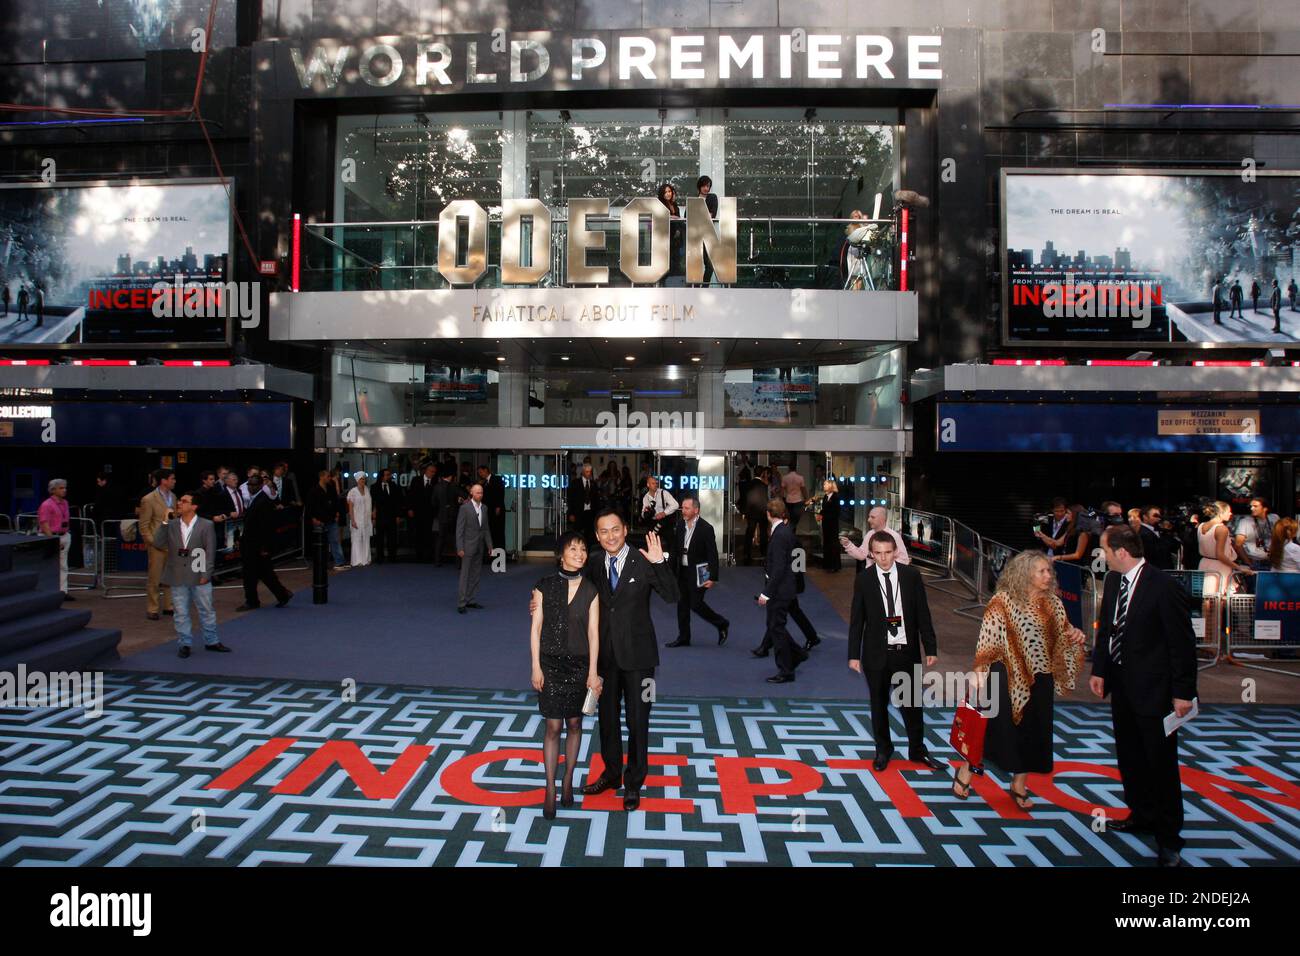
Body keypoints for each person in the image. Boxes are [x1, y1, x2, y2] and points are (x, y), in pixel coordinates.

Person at [1090, 524, 1197, 867]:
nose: (1102, 557)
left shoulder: (1164, 587)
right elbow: (1107, 628)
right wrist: (1100, 669)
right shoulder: (1112, 581)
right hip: (1121, 685)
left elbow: (1182, 644)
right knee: (1130, 756)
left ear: (1121, 552)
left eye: (1105, 550)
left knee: (1160, 764)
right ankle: (1141, 814)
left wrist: (1183, 692)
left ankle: (1169, 838)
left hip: (1156, 691)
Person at [951, 551, 1086, 808]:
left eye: (1049, 571)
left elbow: (1063, 634)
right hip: (1004, 677)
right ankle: (965, 770)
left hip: (1041, 680)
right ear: (1025, 574)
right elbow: (987, 643)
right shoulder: (1003, 601)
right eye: (1041, 571)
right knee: (991, 730)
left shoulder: (1054, 604)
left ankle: (1019, 784)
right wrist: (979, 676)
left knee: (1033, 732)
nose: (1048, 576)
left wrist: (1075, 635)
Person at [575, 510, 678, 810]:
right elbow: (574, 589)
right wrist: (540, 598)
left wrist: (660, 563)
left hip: (640, 659)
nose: (610, 536)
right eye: (604, 531)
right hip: (605, 659)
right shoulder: (594, 561)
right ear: (597, 536)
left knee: (637, 720)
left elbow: (672, 596)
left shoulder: (644, 559)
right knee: (606, 720)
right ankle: (611, 774)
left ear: (624, 529)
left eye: (615, 530)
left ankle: (634, 782)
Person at [846, 531, 945, 772]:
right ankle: (883, 750)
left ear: (895, 552)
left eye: (888, 553)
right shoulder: (864, 579)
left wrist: (929, 647)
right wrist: (853, 655)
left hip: (906, 652)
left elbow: (923, 613)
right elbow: (857, 620)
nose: (883, 558)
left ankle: (917, 750)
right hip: (876, 654)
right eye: (878, 553)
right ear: (871, 554)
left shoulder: (911, 575)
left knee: (912, 705)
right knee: (878, 706)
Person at [528, 531, 602, 819]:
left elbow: (594, 634)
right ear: (561, 554)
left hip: (580, 666)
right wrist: (535, 665)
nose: (580, 554)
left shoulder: (591, 589)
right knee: (552, 727)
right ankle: (549, 787)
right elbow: (535, 629)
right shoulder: (543, 586)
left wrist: (593, 673)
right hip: (550, 665)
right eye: (573, 548)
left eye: (583, 549)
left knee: (574, 723)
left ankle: (568, 779)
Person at [154, 489, 230, 658]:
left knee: (206, 609)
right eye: (179, 501)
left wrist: (206, 573)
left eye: (184, 501)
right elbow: (158, 543)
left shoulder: (206, 524)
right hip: (178, 573)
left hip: (199, 571)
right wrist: (165, 523)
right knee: (180, 612)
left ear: (194, 506)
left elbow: (210, 551)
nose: (179, 503)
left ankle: (212, 641)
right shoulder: (172, 525)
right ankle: (184, 644)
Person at [757, 498, 812, 683]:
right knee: (775, 626)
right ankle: (797, 654)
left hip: (780, 590)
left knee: (776, 628)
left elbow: (779, 567)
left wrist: (766, 593)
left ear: (768, 514)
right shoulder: (784, 531)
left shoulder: (780, 534)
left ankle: (786, 670)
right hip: (784, 588)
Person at [665, 495, 728, 648]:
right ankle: (684, 637)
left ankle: (721, 623)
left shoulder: (706, 528)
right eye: (682, 508)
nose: (683, 511)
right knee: (682, 605)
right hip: (683, 571)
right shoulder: (680, 525)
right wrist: (669, 572)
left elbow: (712, 554)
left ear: (696, 510)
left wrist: (712, 576)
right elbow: (675, 550)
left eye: (686, 508)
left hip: (701, 571)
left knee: (696, 604)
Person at [237, 474, 293, 611]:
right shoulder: (255, 500)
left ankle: (253, 601)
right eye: (249, 484)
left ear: (261, 486)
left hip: (257, 546)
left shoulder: (263, 501)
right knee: (265, 573)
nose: (251, 487)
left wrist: (265, 547)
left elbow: (267, 526)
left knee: (253, 574)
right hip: (252, 544)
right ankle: (282, 594)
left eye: (254, 485)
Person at [139, 469, 177, 620]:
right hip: (156, 544)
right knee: (154, 578)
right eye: (172, 479)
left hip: (171, 542)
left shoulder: (173, 497)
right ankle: (152, 608)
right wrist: (152, 542)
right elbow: (144, 525)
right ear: (164, 481)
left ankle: (169, 606)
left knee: (170, 577)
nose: (174, 481)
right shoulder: (148, 499)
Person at [1197, 500, 1250, 595]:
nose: (1231, 513)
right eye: (1228, 511)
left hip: (1204, 563)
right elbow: (1220, 555)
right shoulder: (1222, 529)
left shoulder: (1201, 526)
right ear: (1221, 513)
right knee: (1219, 598)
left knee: (1208, 598)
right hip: (1219, 566)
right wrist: (1239, 568)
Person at [455, 482, 493, 613]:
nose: (480, 495)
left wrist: (490, 545)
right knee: (465, 575)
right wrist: (460, 547)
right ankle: (461, 602)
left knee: (476, 575)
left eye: (481, 492)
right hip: (467, 547)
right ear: (471, 493)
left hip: (479, 546)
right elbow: (459, 530)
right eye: (477, 492)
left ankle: (471, 600)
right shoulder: (464, 508)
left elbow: (486, 528)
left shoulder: (485, 508)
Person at [842, 505, 911, 566]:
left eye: (872, 517)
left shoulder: (894, 536)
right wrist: (848, 544)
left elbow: (904, 560)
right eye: (869, 517)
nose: (868, 520)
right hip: (871, 574)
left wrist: (884, 563)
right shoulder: (869, 534)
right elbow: (862, 555)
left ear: (882, 519)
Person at [38, 478, 73, 599]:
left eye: (65, 487)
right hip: (50, 536)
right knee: (49, 565)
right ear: (53, 490)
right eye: (61, 488)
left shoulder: (65, 503)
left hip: (64, 535)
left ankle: (63, 592)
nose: (64, 490)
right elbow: (44, 523)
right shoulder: (47, 504)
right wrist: (53, 539)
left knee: (63, 565)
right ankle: (45, 592)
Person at [306, 469, 344, 569]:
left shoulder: (331, 489)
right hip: (319, 521)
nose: (329, 478)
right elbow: (310, 506)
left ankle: (339, 562)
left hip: (331, 519)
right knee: (321, 544)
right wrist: (313, 518)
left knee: (335, 541)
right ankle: (320, 563)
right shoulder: (313, 490)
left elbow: (336, 502)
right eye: (327, 476)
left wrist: (336, 514)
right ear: (321, 477)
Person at [1232, 496, 1278, 572]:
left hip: (1273, 560)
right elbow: (1238, 545)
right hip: (1255, 561)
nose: (1251, 508)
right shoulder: (1245, 522)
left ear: (1265, 508)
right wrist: (1248, 563)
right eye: (1251, 506)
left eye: (1255, 506)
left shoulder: (1274, 518)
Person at [407, 463, 438, 562]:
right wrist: (410, 508)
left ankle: (428, 556)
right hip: (417, 512)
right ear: (426, 471)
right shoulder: (416, 480)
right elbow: (410, 495)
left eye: (434, 472)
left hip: (430, 513)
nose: (433, 474)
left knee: (428, 534)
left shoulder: (436, 482)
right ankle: (419, 556)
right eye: (431, 471)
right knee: (418, 534)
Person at [371, 468, 401, 564]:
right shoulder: (374, 487)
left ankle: (392, 557)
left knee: (392, 538)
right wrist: (373, 517)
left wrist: (398, 516)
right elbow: (373, 503)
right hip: (380, 516)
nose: (389, 476)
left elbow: (398, 502)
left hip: (391, 516)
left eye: (389, 474)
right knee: (379, 538)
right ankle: (380, 557)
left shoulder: (394, 486)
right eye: (387, 475)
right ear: (382, 476)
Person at [657, 182, 684, 282]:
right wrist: (672, 217)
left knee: (676, 261)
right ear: (662, 194)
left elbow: (679, 218)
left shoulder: (674, 204)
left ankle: (672, 283)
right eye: (665, 192)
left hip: (676, 238)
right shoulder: (660, 204)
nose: (668, 194)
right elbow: (660, 217)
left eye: (669, 191)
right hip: (666, 237)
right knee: (666, 262)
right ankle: (662, 282)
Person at [478, 464, 507, 560]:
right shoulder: (484, 482)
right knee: (490, 532)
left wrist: (498, 506)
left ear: (486, 470)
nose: (480, 474)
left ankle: (500, 555)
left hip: (496, 510)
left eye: (481, 472)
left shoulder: (496, 479)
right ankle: (492, 554)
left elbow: (500, 492)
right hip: (488, 511)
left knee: (498, 532)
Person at [695, 175, 719, 284]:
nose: (706, 188)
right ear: (699, 186)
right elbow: (688, 216)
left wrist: (701, 216)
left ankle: (704, 287)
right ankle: (694, 287)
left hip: (707, 234)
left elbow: (712, 215)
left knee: (709, 264)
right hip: (695, 235)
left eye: (708, 186)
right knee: (694, 263)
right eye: (704, 186)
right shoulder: (694, 200)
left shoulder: (712, 197)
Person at [346, 471, 374, 568]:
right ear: (357, 480)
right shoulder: (352, 491)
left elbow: (369, 505)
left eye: (364, 479)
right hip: (357, 519)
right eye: (361, 479)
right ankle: (357, 560)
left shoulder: (367, 489)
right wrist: (352, 520)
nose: (363, 480)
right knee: (356, 539)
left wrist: (371, 517)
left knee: (366, 539)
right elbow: (350, 507)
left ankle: (366, 559)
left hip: (366, 519)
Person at [568, 463, 600, 543]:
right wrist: (571, 513)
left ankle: (588, 549)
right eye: (587, 472)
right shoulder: (575, 483)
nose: (589, 474)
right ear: (582, 472)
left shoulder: (593, 484)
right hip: (578, 511)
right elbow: (571, 499)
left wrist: (597, 514)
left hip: (590, 512)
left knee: (589, 533)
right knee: (577, 532)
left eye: (590, 472)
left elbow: (596, 500)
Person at [433, 468, 460, 566]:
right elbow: (465, 496)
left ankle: (437, 561)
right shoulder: (454, 486)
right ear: (450, 476)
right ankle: (458, 563)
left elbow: (433, 502)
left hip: (442, 516)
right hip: (453, 516)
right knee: (456, 539)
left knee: (440, 538)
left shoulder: (437, 487)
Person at [1138, 506, 1176, 571]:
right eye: (1155, 516)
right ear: (1145, 517)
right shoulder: (1144, 533)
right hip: (1154, 570)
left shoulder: (1158, 531)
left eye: (1159, 516)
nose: (1159, 518)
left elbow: (1174, 546)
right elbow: (1158, 552)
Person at [818, 480, 842, 572]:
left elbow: (836, 511)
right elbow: (824, 509)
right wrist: (820, 513)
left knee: (833, 543)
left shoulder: (835, 497)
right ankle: (827, 564)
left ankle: (835, 565)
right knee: (827, 543)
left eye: (825, 484)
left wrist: (827, 515)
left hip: (832, 524)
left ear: (831, 486)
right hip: (826, 523)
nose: (824, 486)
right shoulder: (825, 496)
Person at [781, 464, 807, 528]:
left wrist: (782, 499)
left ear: (789, 469)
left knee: (790, 517)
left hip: (788, 499)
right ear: (796, 469)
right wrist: (806, 498)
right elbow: (803, 489)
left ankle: (791, 530)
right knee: (796, 518)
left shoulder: (785, 477)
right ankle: (793, 530)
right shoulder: (800, 477)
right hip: (798, 499)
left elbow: (782, 490)